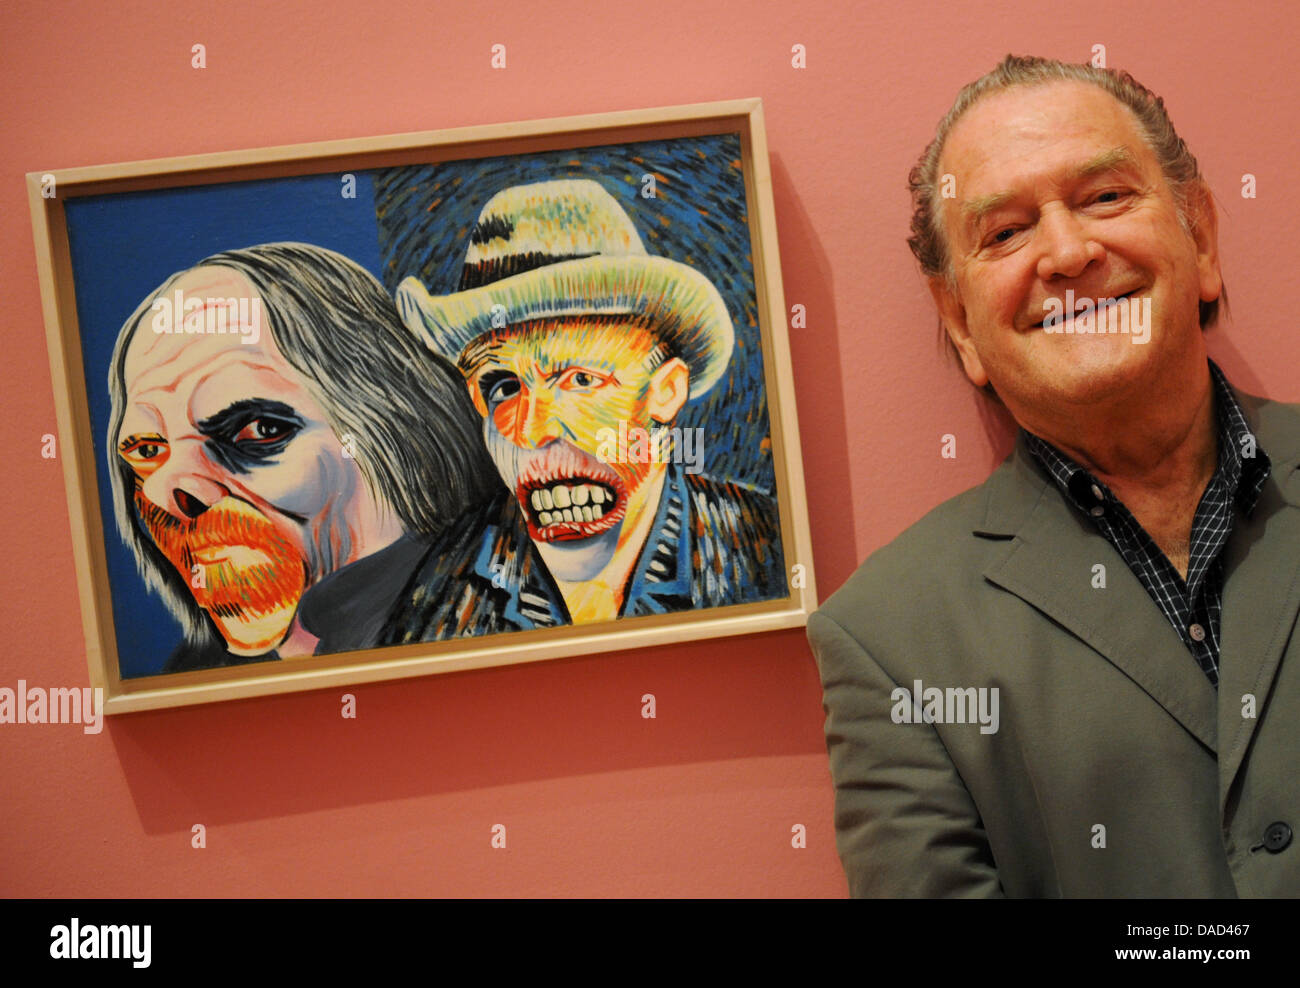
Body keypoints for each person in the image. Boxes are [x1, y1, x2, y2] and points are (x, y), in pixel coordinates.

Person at [808, 55, 1300, 896]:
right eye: (1003, 233)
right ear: (959, 321)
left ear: (1203, 238)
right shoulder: (890, 643)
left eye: (1106, 197)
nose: (1068, 253)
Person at [388, 178, 785, 637]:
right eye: (503, 387)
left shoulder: (762, 550)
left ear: (666, 391)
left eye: (580, 380)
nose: (531, 431)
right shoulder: (440, 593)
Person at [108, 242, 496, 672]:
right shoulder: (194, 676)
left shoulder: (497, 619)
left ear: (390, 425)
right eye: (147, 451)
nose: (167, 490)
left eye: (261, 431)